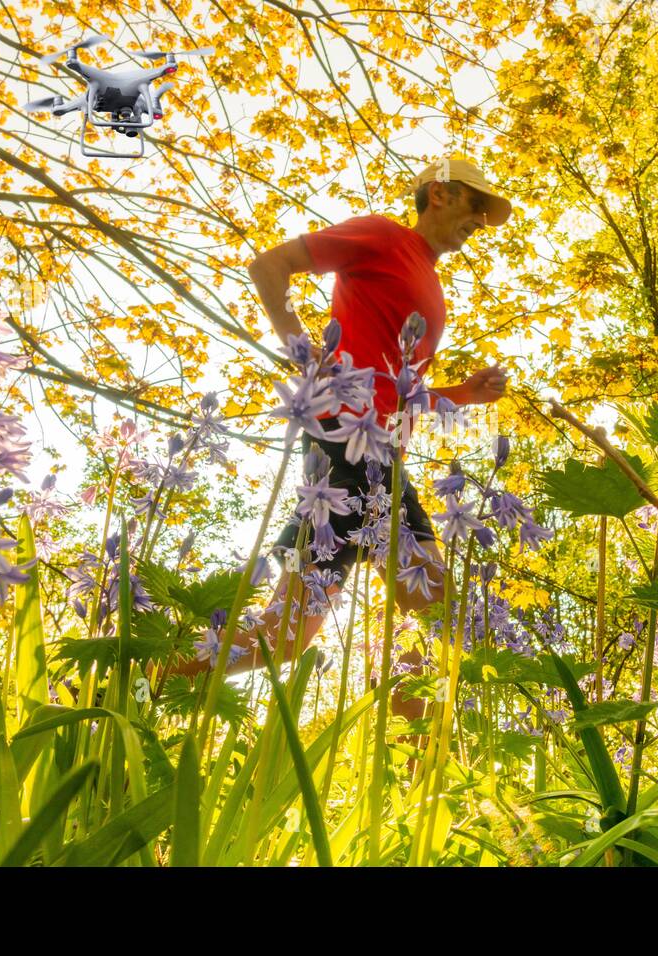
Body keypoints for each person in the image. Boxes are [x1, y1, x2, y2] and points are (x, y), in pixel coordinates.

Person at [174, 156, 512, 729]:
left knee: (283, 640)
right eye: (473, 203)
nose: (480, 219)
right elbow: (269, 266)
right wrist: (306, 354)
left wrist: (464, 394)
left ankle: (143, 678)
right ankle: (408, 769)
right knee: (433, 614)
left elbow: (398, 394)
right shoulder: (382, 237)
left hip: (378, 452)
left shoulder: (428, 279)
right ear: (437, 193)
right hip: (349, 451)